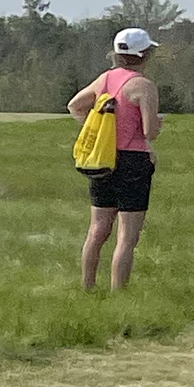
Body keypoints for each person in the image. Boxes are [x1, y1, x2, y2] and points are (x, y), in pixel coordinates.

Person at [68, 28, 163, 292]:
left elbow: (75, 105)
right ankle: (118, 291)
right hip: (133, 161)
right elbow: (149, 131)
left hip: (103, 158)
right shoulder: (143, 85)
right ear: (143, 55)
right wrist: (158, 124)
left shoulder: (105, 80)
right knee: (127, 235)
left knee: (98, 229)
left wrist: (96, 129)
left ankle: (88, 286)